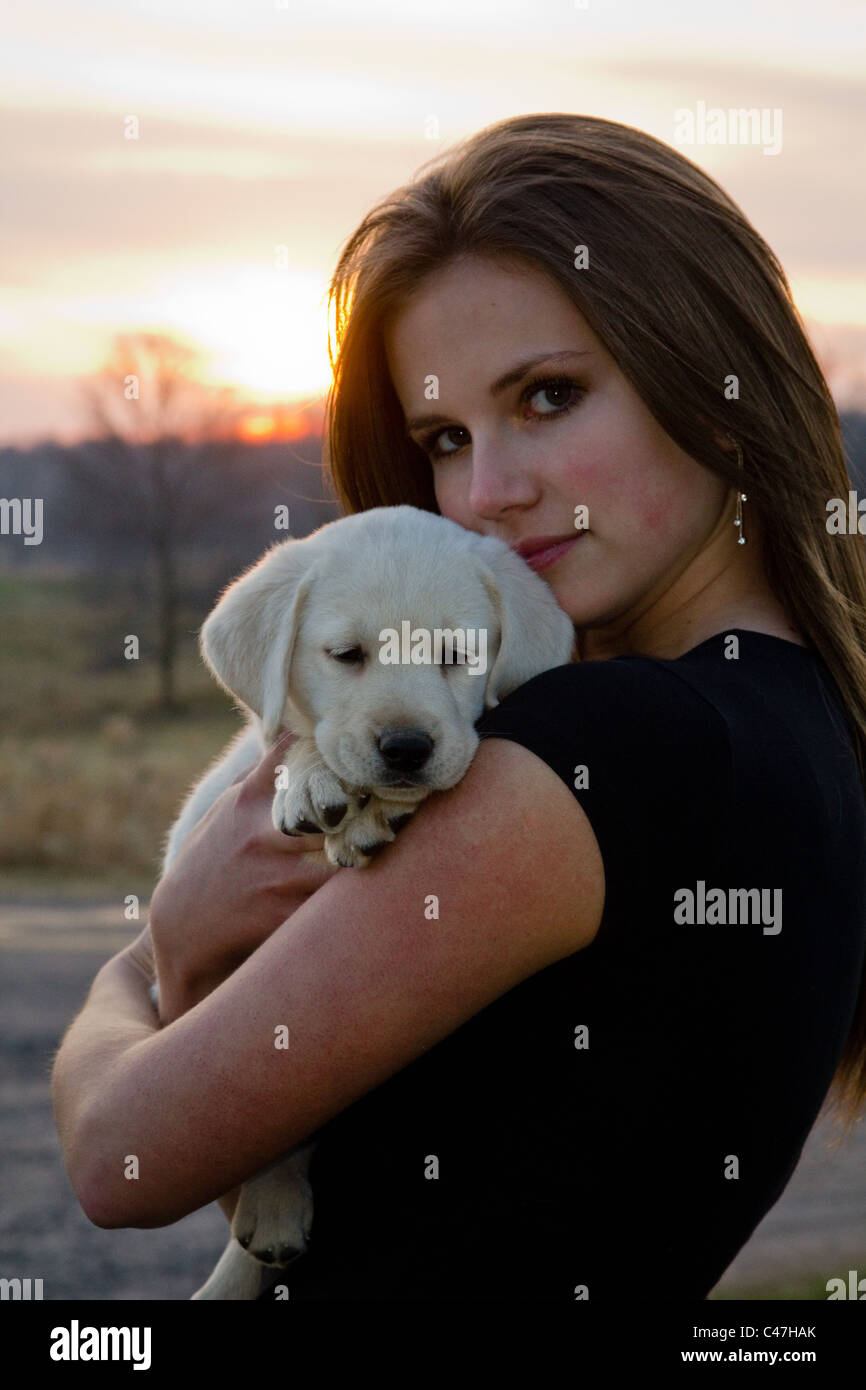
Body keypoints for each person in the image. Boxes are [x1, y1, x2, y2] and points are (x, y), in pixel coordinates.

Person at [52, 113, 866, 1301]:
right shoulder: (806, 739)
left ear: (712, 369)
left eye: (548, 395)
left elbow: (124, 1157)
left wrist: (155, 948)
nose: (487, 492)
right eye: (443, 435)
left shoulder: (604, 752)